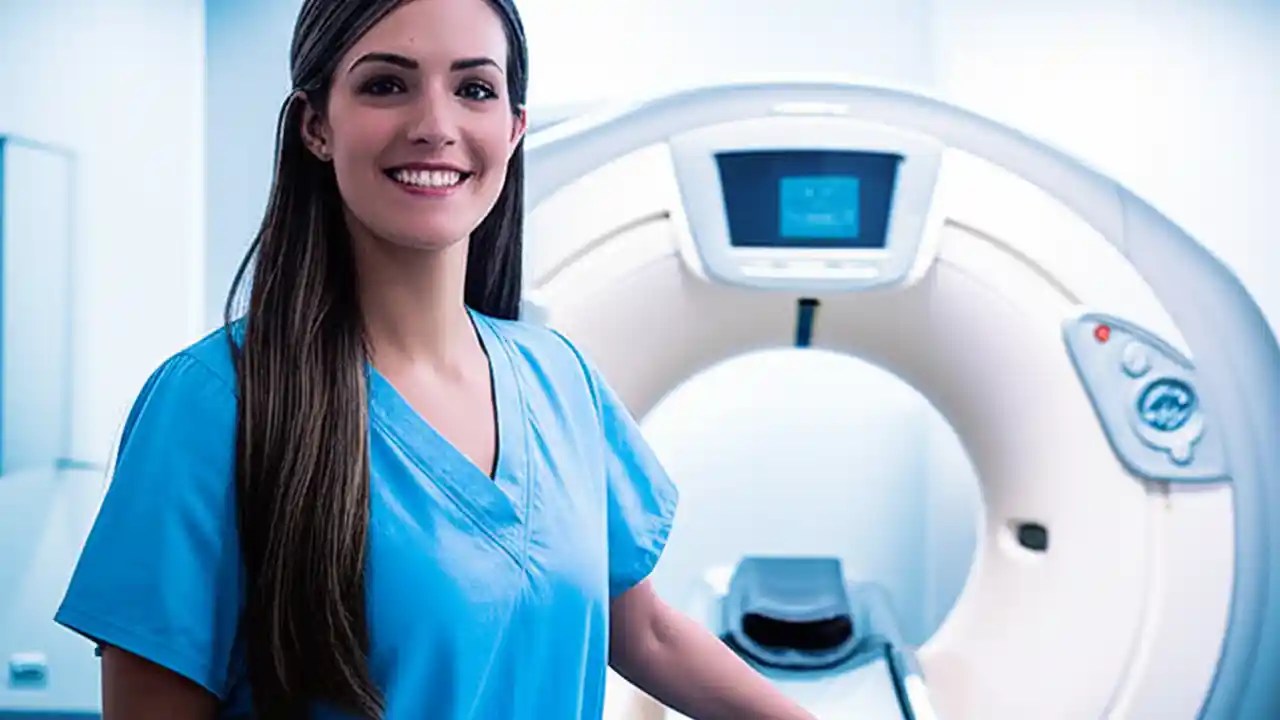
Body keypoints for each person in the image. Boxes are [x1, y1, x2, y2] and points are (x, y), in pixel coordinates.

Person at [53, 1, 816, 718]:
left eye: (475, 88)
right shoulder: (214, 403)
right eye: (387, 84)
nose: (434, 124)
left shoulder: (561, 380)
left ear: (514, 128)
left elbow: (644, 632)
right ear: (317, 126)